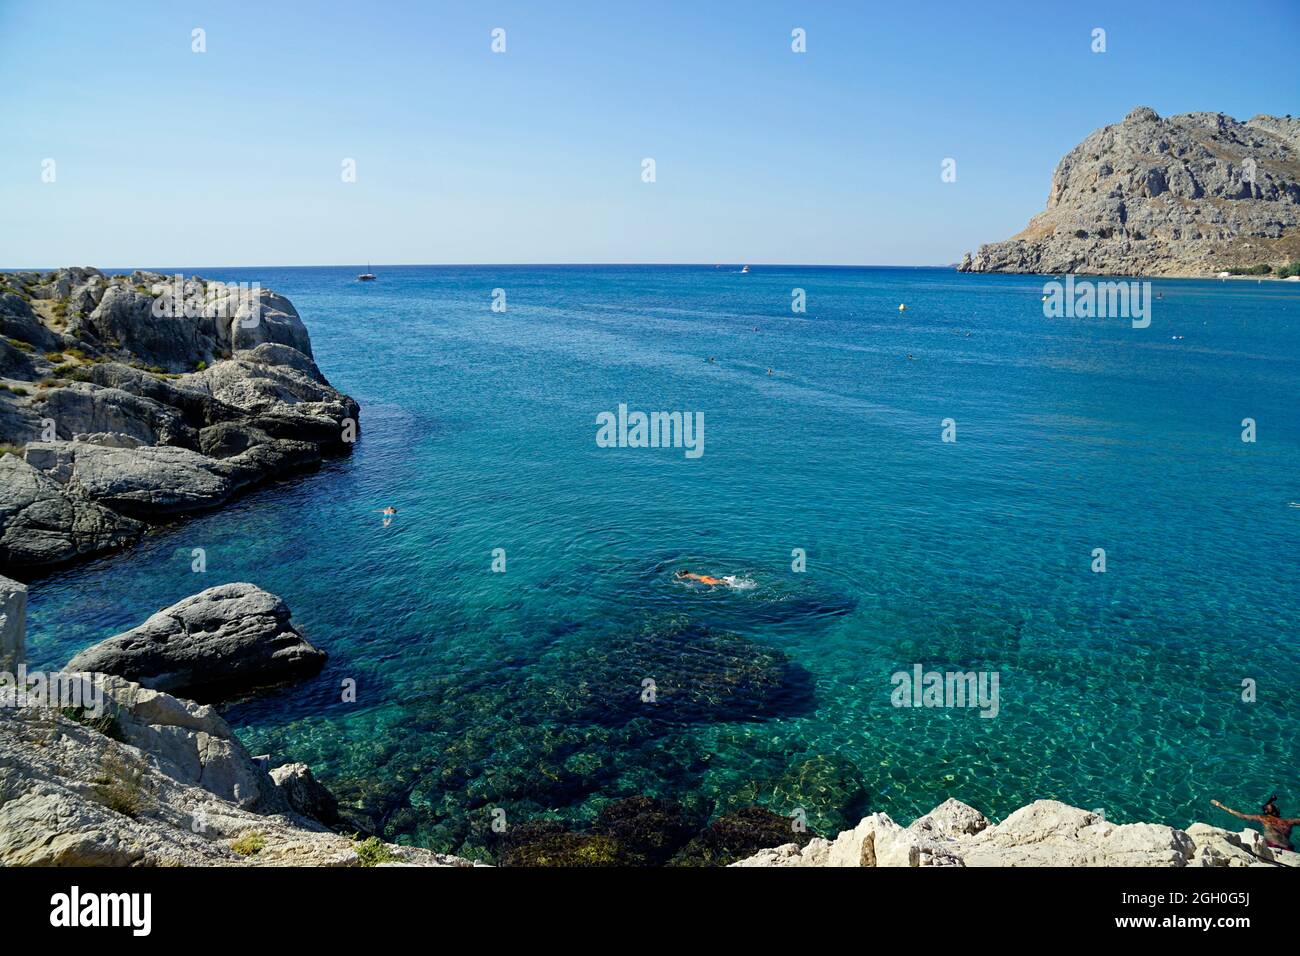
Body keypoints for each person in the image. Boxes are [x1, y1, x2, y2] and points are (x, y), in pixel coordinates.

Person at [1211, 795, 1298, 851]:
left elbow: (1242, 816)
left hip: (1273, 846)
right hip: (1289, 848)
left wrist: (1221, 806)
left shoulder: (1264, 818)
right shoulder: (1289, 821)